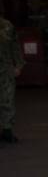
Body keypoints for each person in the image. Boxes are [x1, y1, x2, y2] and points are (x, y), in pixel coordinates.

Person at [0, 14, 22, 143]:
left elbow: (15, 46)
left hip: (5, 70)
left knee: (7, 100)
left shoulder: (7, 26)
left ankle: (7, 131)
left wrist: (18, 65)